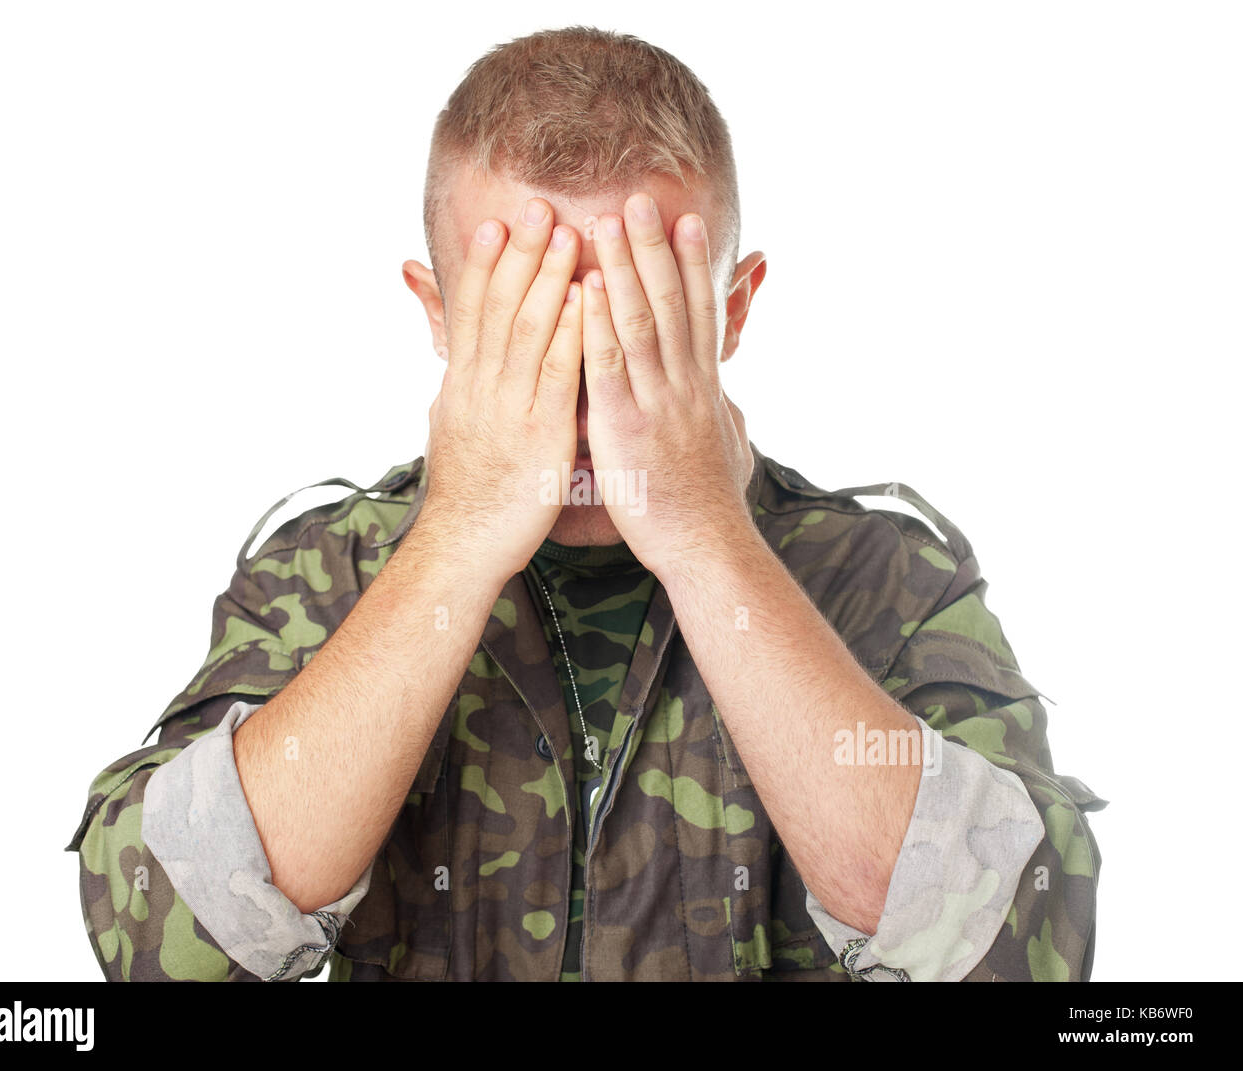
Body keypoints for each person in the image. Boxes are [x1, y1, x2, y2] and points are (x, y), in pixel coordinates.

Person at [67, 25, 1105, 982]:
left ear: (729, 311)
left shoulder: (888, 583)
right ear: (437, 313)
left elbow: (1025, 950)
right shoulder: (326, 575)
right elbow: (161, 948)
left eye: (636, 315)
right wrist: (462, 536)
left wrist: (702, 533)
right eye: (524, 320)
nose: (586, 377)